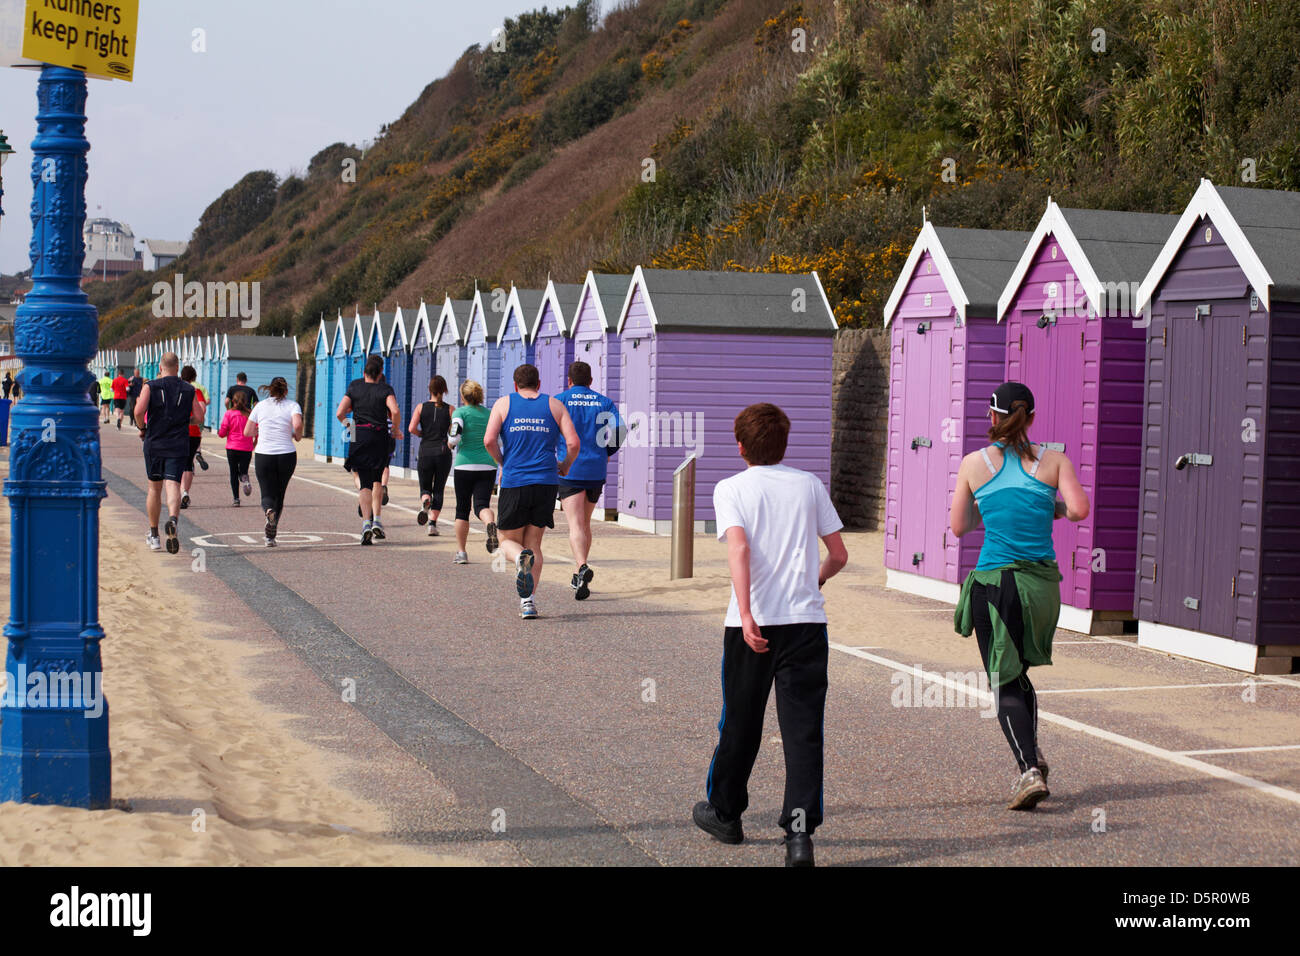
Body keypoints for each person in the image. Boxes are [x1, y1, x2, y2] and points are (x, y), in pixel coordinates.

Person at [692, 403, 847, 868]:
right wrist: (811, 581)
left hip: (751, 624)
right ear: (785, 443)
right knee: (803, 732)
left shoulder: (731, 488)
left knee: (740, 720)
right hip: (805, 623)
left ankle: (726, 813)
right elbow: (838, 555)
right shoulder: (808, 485)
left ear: (740, 446)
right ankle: (799, 836)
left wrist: (746, 609)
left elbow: (738, 546)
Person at [950, 382, 1089, 811]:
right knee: (1019, 672)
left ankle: (1028, 768)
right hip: (1043, 587)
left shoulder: (974, 464)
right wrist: (1051, 505)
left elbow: (960, 527)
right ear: (1030, 418)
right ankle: (1032, 754)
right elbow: (1080, 509)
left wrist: (990, 503)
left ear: (991, 417)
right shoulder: (1054, 460)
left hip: (996, 585)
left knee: (1003, 677)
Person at [483, 363, 579, 620]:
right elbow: (573, 442)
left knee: (505, 540)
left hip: (515, 480)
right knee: (534, 542)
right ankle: (528, 602)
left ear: (515, 385)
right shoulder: (554, 405)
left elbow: (489, 440)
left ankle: (518, 560)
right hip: (546, 482)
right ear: (539, 384)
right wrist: (565, 465)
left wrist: (502, 461)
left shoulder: (504, 404)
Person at [555, 361, 624, 601]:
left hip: (570, 468)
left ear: (569, 380)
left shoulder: (559, 400)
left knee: (575, 525)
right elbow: (621, 430)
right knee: (585, 523)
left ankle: (582, 565)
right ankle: (578, 573)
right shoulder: (604, 402)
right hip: (596, 468)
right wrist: (607, 452)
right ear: (591, 381)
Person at [134, 351, 204, 554]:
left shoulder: (151, 386)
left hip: (154, 442)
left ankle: (154, 535)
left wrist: (142, 428)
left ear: (160, 367)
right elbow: (199, 416)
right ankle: (173, 520)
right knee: (173, 484)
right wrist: (186, 421)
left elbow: (139, 411)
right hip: (178, 444)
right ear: (177, 366)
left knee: (154, 488)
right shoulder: (189, 389)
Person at [337, 355, 400, 545]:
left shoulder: (354, 386)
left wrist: (351, 426)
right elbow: (395, 411)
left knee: (364, 483)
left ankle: (366, 523)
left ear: (364, 372)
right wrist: (395, 430)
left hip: (359, 435)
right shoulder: (385, 389)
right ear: (381, 373)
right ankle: (378, 521)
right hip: (380, 436)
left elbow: (341, 412)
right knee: (377, 479)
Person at [244, 376, 303, 547]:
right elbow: (298, 425)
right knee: (280, 492)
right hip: (287, 454)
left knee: (267, 492)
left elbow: (247, 432)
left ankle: (268, 512)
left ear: (270, 390)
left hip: (264, 453)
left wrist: (260, 429)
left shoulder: (260, 406)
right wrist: (297, 436)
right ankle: (272, 534)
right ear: (285, 391)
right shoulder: (293, 405)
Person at [448, 379, 499, 565]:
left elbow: (455, 436)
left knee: (462, 509)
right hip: (487, 465)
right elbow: (496, 439)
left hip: (464, 465)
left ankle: (461, 552)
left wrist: (450, 442)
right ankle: (489, 524)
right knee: (482, 504)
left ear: (463, 397)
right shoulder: (489, 414)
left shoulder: (459, 413)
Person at [408, 375, 454, 536]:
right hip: (442, 452)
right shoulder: (450, 409)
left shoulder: (421, 407)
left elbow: (411, 428)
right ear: (445, 390)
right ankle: (432, 525)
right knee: (439, 489)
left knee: (425, 487)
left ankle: (425, 501)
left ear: (430, 389)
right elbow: (453, 432)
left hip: (426, 450)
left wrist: (422, 434)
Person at [177, 366, 209, 509]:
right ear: (194, 377)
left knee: (177, 462)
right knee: (189, 463)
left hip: (177, 431)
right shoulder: (196, 391)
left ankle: (178, 492)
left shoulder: (176, 390)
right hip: (194, 431)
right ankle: (185, 492)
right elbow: (202, 410)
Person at [218, 390, 255, 506]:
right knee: (243, 471)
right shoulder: (250, 414)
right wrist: (255, 443)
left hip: (232, 447)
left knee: (233, 472)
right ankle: (245, 478)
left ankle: (236, 499)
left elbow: (223, 431)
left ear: (233, 401)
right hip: (246, 448)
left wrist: (222, 433)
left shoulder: (229, 414)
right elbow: (257, 430)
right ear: (246, 402)